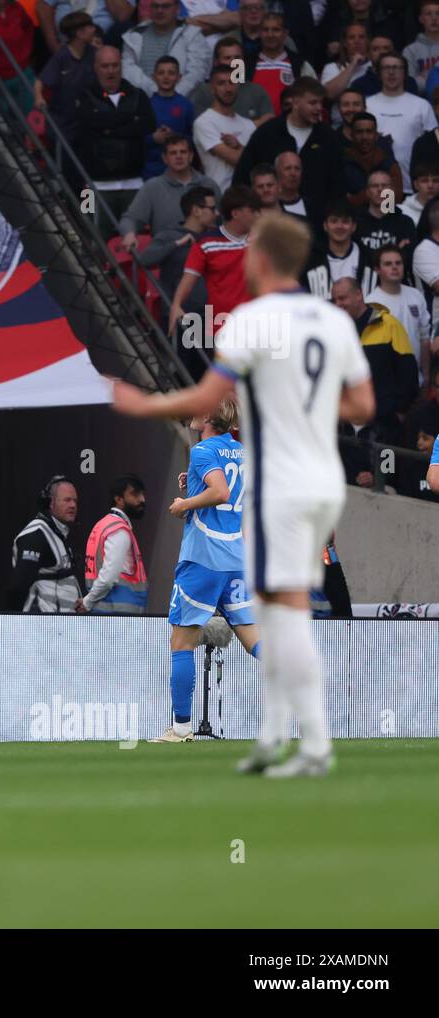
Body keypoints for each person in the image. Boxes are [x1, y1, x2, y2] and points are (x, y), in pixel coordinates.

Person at [113, 212, 377, 778]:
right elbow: (362, 409)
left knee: (194, 636)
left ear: (259, 260)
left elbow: (206, 397)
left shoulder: (250, 324)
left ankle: (185, 728)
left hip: (241, 523)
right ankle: (310, 735)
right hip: (314, 485)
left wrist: (145, 405)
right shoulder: (332, 321)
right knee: (275, 628)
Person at [153, 396, 261, 742]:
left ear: (206, 417)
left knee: (181, 643)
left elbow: (221, 491)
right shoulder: (241, 451)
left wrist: (185, 502)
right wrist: (195, 487)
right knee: (252, 639)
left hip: (203, 559)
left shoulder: (202, 451)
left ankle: (181, 728)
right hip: (235, 558)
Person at [234, 77, 346, 233]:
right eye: (313, 103)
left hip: (316, 224)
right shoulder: (267, 133)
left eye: (321, 103)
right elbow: (243, 176)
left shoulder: (328, 137)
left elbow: (338, 185)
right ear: (295, 102)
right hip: (269, 223)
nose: (319, 108)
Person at [76, 46, 157, 235]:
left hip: (135, 184)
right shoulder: (83, 96)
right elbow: (88, 126)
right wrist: (128, 120)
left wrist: (106, 128)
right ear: (96, 68)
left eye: (114, 65)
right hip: (93, 186)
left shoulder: (138, 95)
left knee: (136, 239)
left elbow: (147, 126)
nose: (110, 71)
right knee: (93, 237)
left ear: (121, 67)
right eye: (105, 66)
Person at [331, 276, 420, 445]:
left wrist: (398, 413)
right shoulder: (335, 330)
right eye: (334, 300)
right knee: (351, 472)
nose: (338, 304)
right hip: (347, 427)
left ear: (359, 294)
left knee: (387, 470)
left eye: (342, 298)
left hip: (386, 425)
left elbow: (408, 371)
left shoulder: (389, 325)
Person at [169, 184, 261, 337]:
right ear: (236, 213)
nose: (258, 215)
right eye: (252, 211)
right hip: (224, 331)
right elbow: (188, 279)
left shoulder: (262, 240)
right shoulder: (206, 243)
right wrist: (176, 305)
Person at [138, 185, 216, 356]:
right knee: (187, 371)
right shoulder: (170, 236)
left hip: (211, 315)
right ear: (196, 210)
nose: (216, 214)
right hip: (182, 316)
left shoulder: (214, 237)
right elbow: (145, 260)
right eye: (212, 209)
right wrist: (176, 244)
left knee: (210, 370)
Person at [118, 134, 219, 246]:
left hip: (205, 250)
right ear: (165, 159)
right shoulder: (152, 187)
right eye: (173, 153)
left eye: (183, 152)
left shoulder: (209, 184)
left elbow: (224, 220)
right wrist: (129, 234)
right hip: (167, 254)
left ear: (191, 156)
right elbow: (131, 219)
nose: (179, 156)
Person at [6, 476, 85, 612]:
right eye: (67, 500)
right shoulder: (35, 535)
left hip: (60, 625)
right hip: (43, 625)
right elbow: (18, 586)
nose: (73, 505)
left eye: (75, 501)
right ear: (50, 503)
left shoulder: (58, 532)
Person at [368, 51, 438, 194]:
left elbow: (433, 145)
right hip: (383, 189)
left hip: (416, 188)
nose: (391, 72)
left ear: (405, 73)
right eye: (386, 68)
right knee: (388, 215)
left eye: (397, 68)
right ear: (379, 73)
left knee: (413, 215)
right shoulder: (367, 105)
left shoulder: (421, 105)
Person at [77, 473, 149, 613]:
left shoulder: (104, 525)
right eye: (135, 494)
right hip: (117, 616)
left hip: (107, 612)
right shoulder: (118, 530)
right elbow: (109, 576)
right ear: (118, 499)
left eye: (142, 494)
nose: (142, 499)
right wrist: (87, 602)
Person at [366, 244, 432, 382]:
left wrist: (426, 377)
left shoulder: (416, 295)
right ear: (377, 269)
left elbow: (424, 339)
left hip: (417, 380)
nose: (394, 267)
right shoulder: (371, 303)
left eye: (398, 263)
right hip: (389, 383)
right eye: (388, 264)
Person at [121, 1, 212, 98]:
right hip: (143, 104)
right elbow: (128, 71)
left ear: (177, 8)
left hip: (183, 105)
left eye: (165, 6)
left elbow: (196, 74)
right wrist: (157, 94)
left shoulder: (193, 36)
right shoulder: (134, 36)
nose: (160, 11)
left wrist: (172, 97)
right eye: (156, 6)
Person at [34, 10, 98, 144]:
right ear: (80, 33)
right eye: (90, 27)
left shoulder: (92, 52)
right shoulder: (61, 57)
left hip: (85, 120)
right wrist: (39, 97)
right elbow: (40, 81)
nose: (94, 29)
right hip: (62, 122)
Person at [193, 62, 257, 189]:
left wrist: (239, 145)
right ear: (212, 88)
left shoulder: (249, 125)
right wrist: (248, 152)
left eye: (232, 82)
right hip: (219, 196)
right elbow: (239, 160)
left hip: (248, 199)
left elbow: (258, 164)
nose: (228, 89)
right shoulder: (204, 122)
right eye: (221, 84)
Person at [188, 36, 274, 125]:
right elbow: (202, 125)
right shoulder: (205, 91)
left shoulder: (257, 91)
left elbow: (269, 121)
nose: (233, 63)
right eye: (227, 58)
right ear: (216, 62)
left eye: (237, 57)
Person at [303, 199, 378, 298]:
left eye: (345, 221)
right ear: (325, 226)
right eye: (334, 221)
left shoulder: (370, 258)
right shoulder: (310, 259)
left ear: (354, 226)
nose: (339, 226)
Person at [248, 13, 316, 114]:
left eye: (276, 30)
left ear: (285, 33)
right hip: (253, 126)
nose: (270, 35)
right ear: (259, 33)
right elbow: (235, 95)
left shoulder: (300, 64)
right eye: (265, 30)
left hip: (288, 127)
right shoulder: (243, 63)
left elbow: (313, 98)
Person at [142, 58, 198, 178]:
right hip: (151, 172)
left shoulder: (186, 105)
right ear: (154, 76)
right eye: (161, 73)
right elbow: (137, 139)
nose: (166, 77)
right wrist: (153, 138)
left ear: (179, 77)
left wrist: (174, 137)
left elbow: (195, 140)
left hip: (179, 172)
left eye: (171, 73)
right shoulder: (145, 105)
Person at [343, 112, 404, 206]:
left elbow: (393, 202)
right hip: (352, 219)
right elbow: (340, 202)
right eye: (359, 132)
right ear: (352, 135)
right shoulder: (341, 163)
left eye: (369, 132)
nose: (364, 137)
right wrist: (379, 194)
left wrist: (357, 198)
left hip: (384, 219)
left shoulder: (390, 165)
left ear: (376, 135)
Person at [356, 169, 418, 255]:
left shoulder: (405, 223)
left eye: (384, 186)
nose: (380, 189)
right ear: (367, 192)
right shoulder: (356, 222)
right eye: (375, 186)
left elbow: (409, 259)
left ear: (392, 190)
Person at [322, 22, 372, 101]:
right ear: (345, 43)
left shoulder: (376, 66)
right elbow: (329, 94)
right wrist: (352, 65)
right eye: (352, 37)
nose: (357, 41)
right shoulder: (332, 67)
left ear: (368, 41)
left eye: (361, 37)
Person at [405, 0, 439, 89]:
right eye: (428, 14)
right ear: (421, 19)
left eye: (438, 13)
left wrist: (424, 78)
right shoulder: (410, 50)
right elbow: (410, 83)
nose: (434, 18)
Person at [274, 150, 309, 218]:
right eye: (288, 168)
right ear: (277, 172)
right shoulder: (270, 206)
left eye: (297, 168)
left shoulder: (312, 207)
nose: (293, 173)